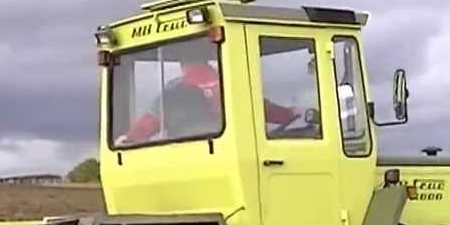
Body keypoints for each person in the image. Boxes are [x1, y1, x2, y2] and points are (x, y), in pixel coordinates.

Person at [116, 61, 307, 146]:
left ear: (183, 65)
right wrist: (295, 114)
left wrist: (128, 139)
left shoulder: (173, 91)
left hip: (181, 156)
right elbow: (267, 111)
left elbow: (147, 124)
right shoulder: (229, 84)